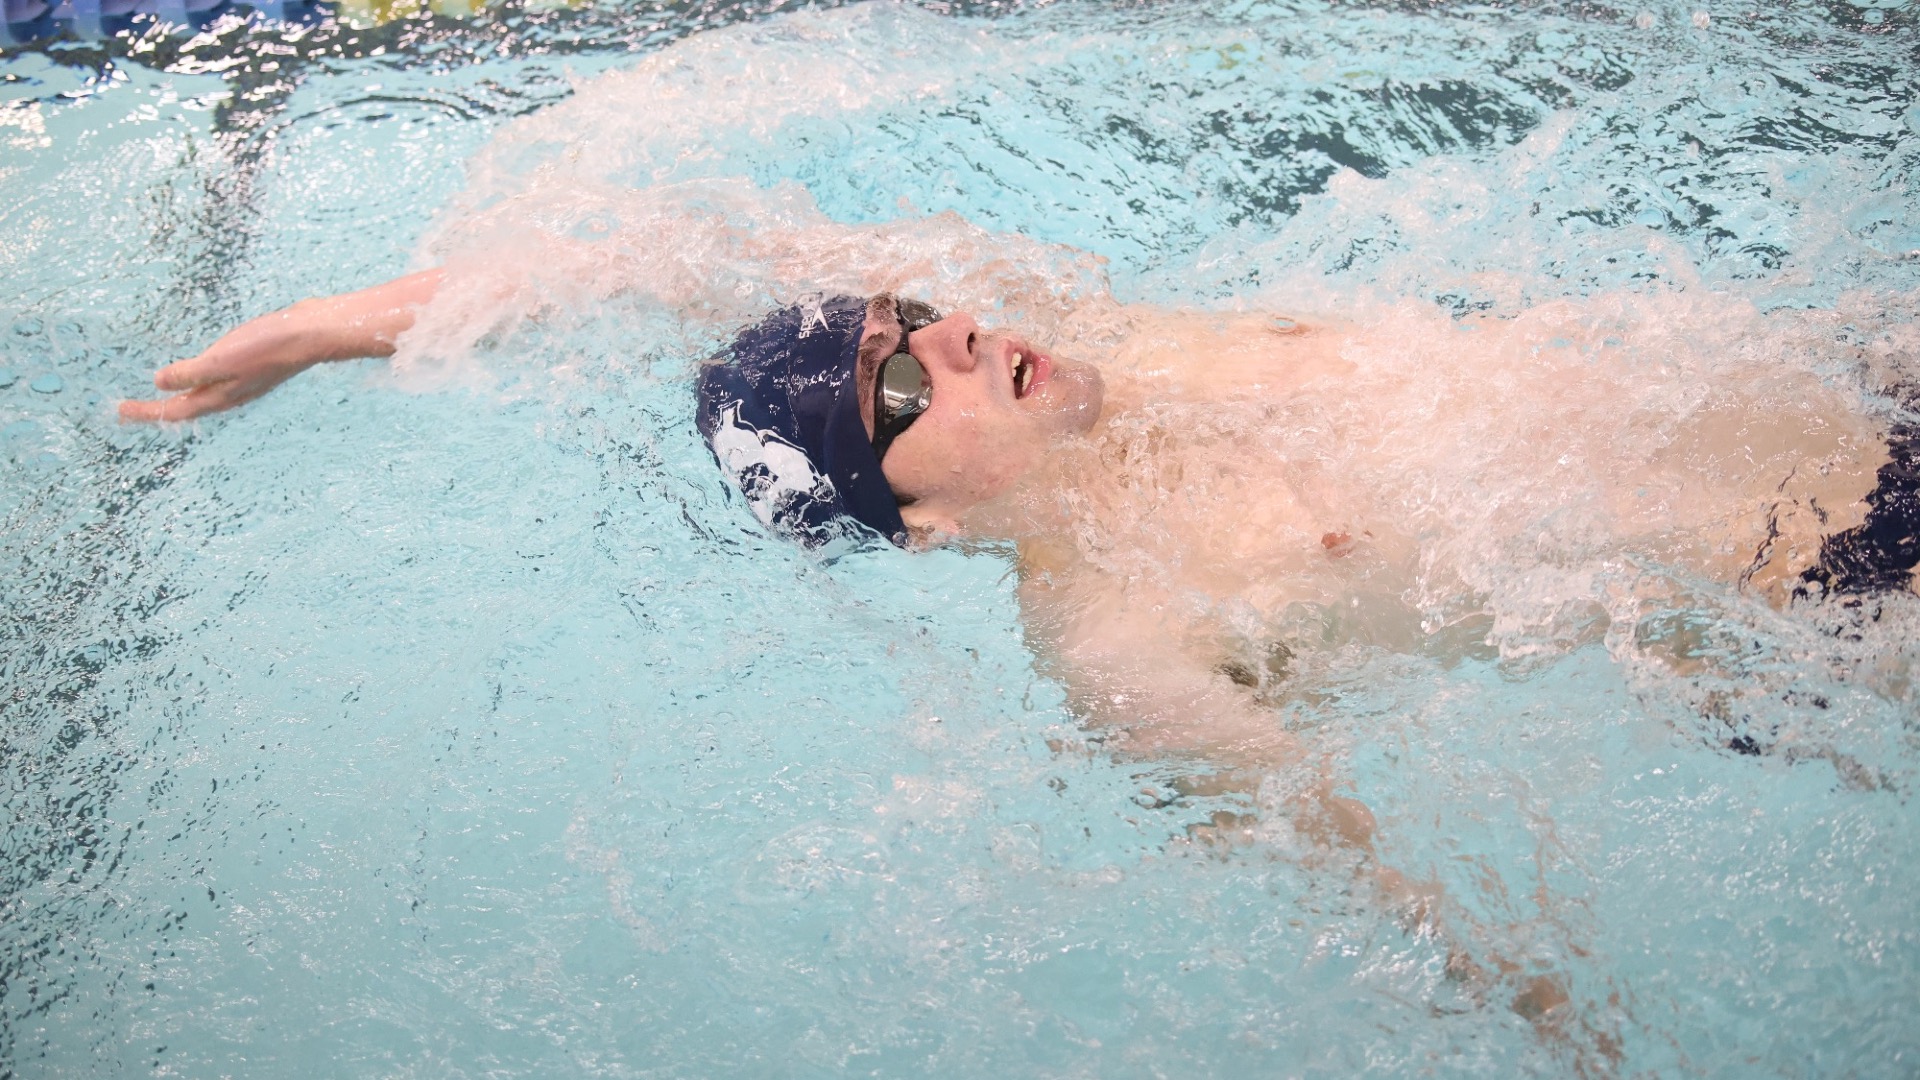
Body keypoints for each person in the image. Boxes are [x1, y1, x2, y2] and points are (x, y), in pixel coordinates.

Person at [118, 256, 1916, 1035]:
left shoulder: (1114, 349)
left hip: (1860, 364)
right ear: (926, 524)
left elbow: (647, 271)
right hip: (1841, 591)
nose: (957, 338)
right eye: (904, 382)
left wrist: (325, 328)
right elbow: (1397, 891)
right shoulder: (1125, 649)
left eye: (916, 316)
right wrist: (1569, 1027)